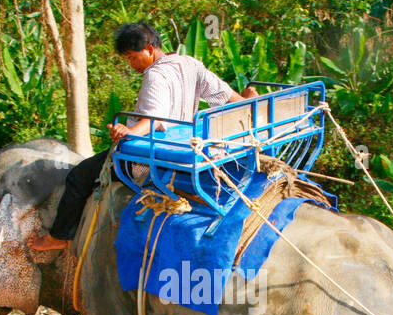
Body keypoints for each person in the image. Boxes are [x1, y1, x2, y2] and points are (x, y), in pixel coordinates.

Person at [29, 21, 257, 251]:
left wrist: (128, 132)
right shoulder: (191, 64)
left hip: (150, 158)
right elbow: (227, 97)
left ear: (149, 49)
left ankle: (58, 236)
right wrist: (249, 99)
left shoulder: (155, 75)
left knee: (79, 176)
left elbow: (155, 119)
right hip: (185, 146)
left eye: (132, 57)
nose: (131, 64)